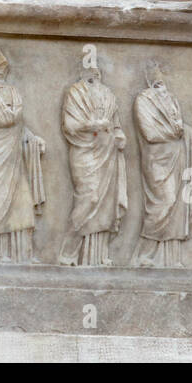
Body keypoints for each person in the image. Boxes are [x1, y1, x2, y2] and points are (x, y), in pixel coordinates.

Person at [133, 61, 192, 268]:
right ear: (149, 81)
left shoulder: (172, 100)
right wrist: (174, 133)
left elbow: (180, 128)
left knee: (178, 205)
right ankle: (144, 255)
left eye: (161, 80)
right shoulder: (143, 100)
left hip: (178, 157)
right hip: (158, 160)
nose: (160, 84)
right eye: (155, 80)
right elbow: (150, 132)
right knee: (163, 203)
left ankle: (172, 259)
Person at [0, 50, 45, 263]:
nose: (2, 71)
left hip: (14, 155)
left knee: (21, 202)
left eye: (4, 68)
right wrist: (7, 118)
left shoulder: (12, 91)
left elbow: (19, 123)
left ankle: (23, 253)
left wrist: (33, 138)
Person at [58, 66, 127, 267]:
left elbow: (116, 124)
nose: (94, 74)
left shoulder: (108, 94)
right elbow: (70, 126)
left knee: (106, 202)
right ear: (82, 73)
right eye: (90, 71)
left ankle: (97, 256)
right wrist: (91, 125)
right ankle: (68, 251)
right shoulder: (74, 92)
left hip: (107, 152)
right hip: (84, 151)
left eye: (97, 72)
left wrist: (120, 135)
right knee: (89, 198)